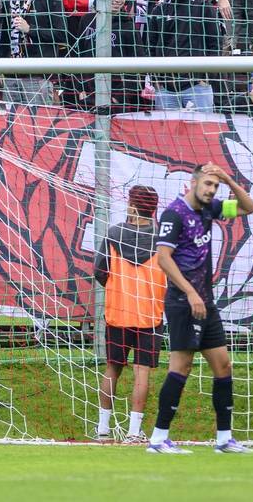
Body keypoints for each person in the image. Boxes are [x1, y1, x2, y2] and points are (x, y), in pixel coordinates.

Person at [146, 163, 253, 454]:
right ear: (193, 183)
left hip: (205, 302)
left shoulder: (211, 208)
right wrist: (191, 292)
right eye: (207, 184)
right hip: (183, 302)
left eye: (215, 186)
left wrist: (228, 179)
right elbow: (163, 258)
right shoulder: (174, 213)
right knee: (181, 366)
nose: (211, 190)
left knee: (223, 365)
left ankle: (224, 439)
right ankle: (158, 439)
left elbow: (249, 207)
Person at [93, 185, 164, 444]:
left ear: (132, 205)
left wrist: (118, 288)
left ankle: (103, 429)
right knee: (141, 373)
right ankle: (134, 432)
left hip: (118, 313)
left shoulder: (114, 234)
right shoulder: (162, 238)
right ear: (153, 208)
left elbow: (100, 271)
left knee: (112, 369)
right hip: (150, 315)